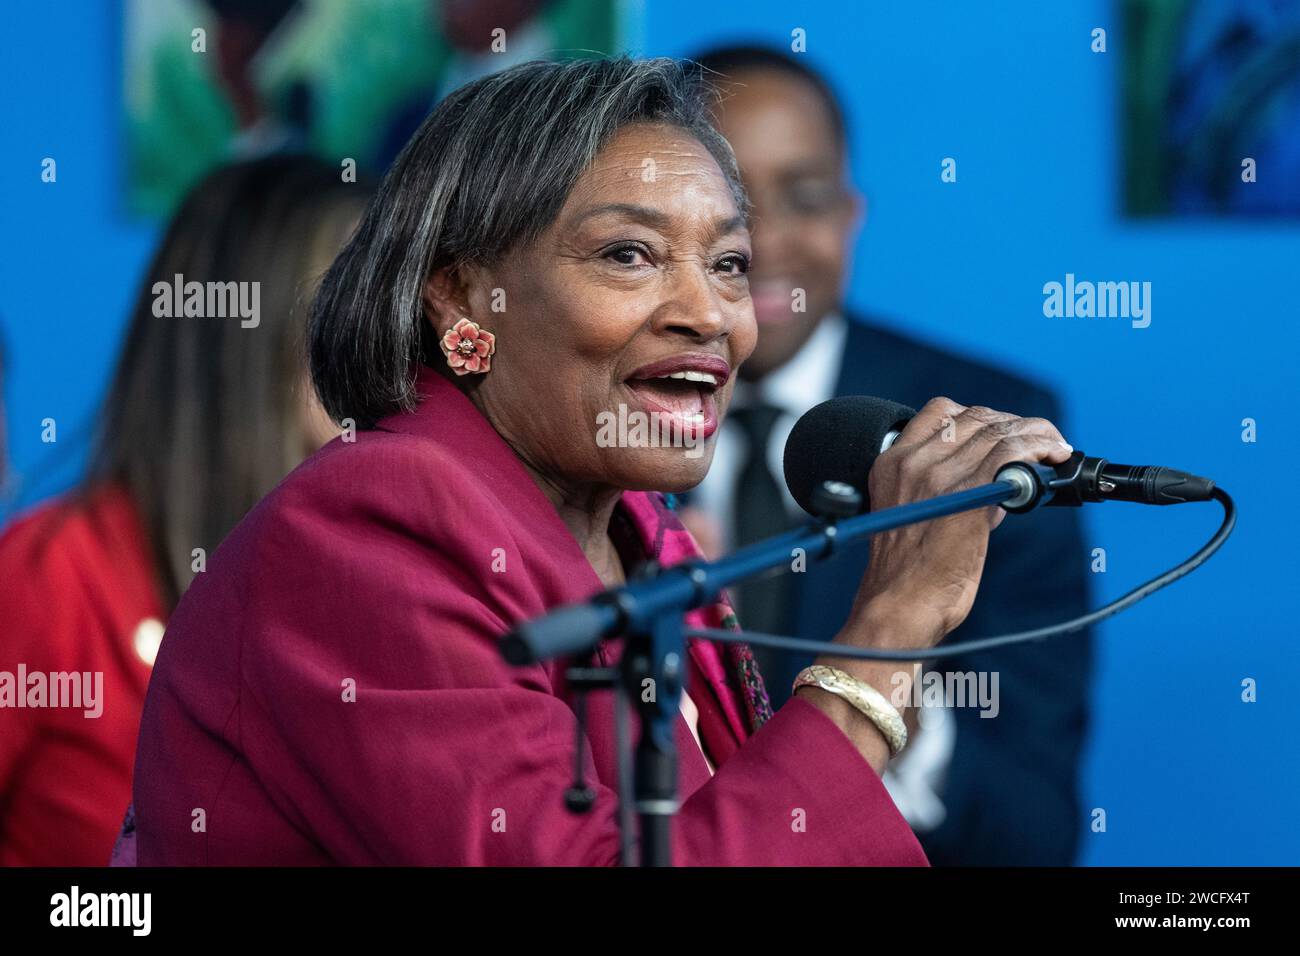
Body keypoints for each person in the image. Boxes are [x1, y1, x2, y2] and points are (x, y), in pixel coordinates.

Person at [122, 57, 1074, 866]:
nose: (709, 313)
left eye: (730, 264)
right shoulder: (367, 527)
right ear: (462, 301)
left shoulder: (645, 535)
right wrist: (894, 620)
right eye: (630, 254)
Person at [685, 45, 1095, 865]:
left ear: (850, 214)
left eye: (802, 197)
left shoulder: (987, 437)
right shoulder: (591, 424)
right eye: (725, 204)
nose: (763, 243)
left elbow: (1034, 829)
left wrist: (890, 709)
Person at [0, 156, 367, 866]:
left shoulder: (382, 586)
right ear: (240, 337)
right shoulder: (49, 579)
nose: (394, 341)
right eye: (351, 303)